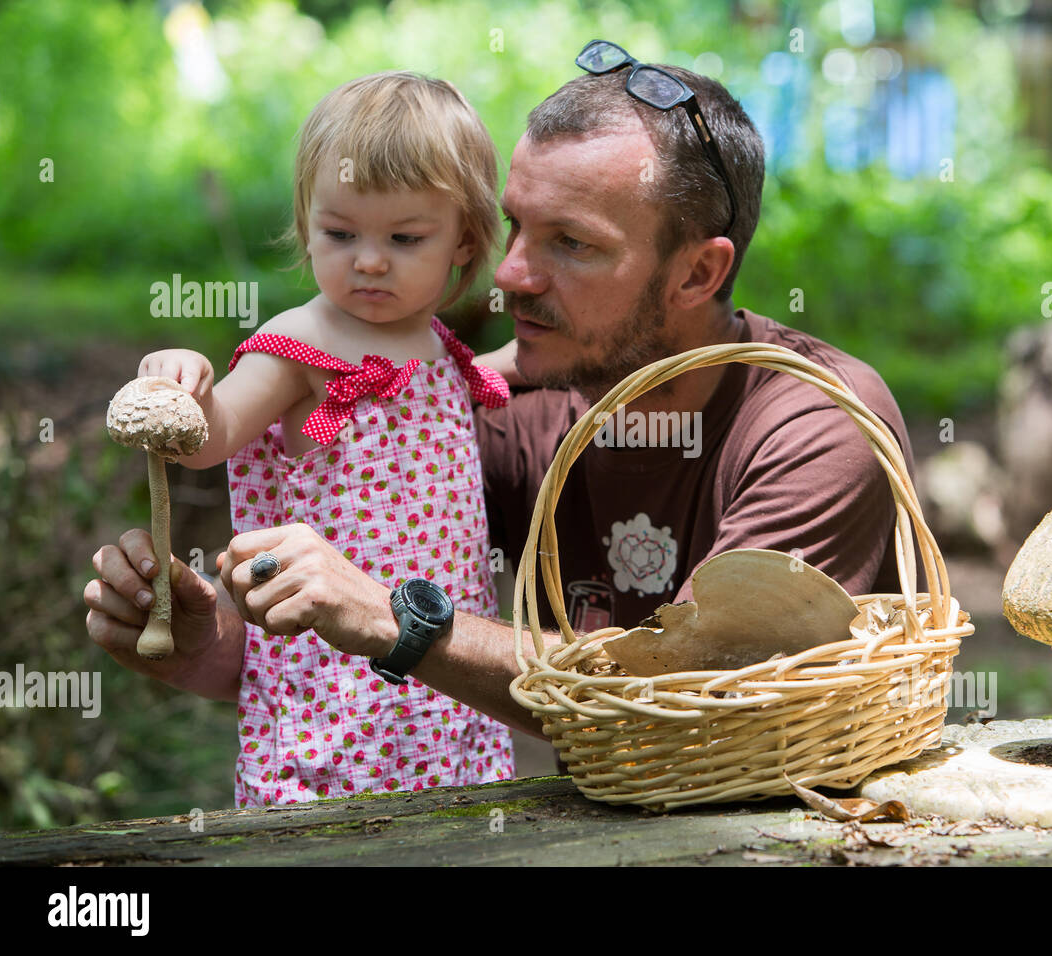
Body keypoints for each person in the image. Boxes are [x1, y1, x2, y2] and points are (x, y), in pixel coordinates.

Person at [85, 45, 921, 763]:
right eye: (514, 226)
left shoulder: (813, 424)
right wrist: (208, 645)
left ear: (697, 274)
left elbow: (701, 703)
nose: (511, 272)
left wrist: (399, 621)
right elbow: (354, 644)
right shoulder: (504, 401)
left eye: (573, 243)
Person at [123, 72, 515, 805]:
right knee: (333, 834)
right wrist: (185, 387)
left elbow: (470, 385)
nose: (368, 260)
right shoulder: (300, 343)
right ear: (307, 221)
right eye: (340, 233)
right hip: (334, 689)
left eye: (404, 238)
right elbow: (212, 439)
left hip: (441, 680)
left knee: (457, 827)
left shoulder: (439, 347)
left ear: (464, 237)